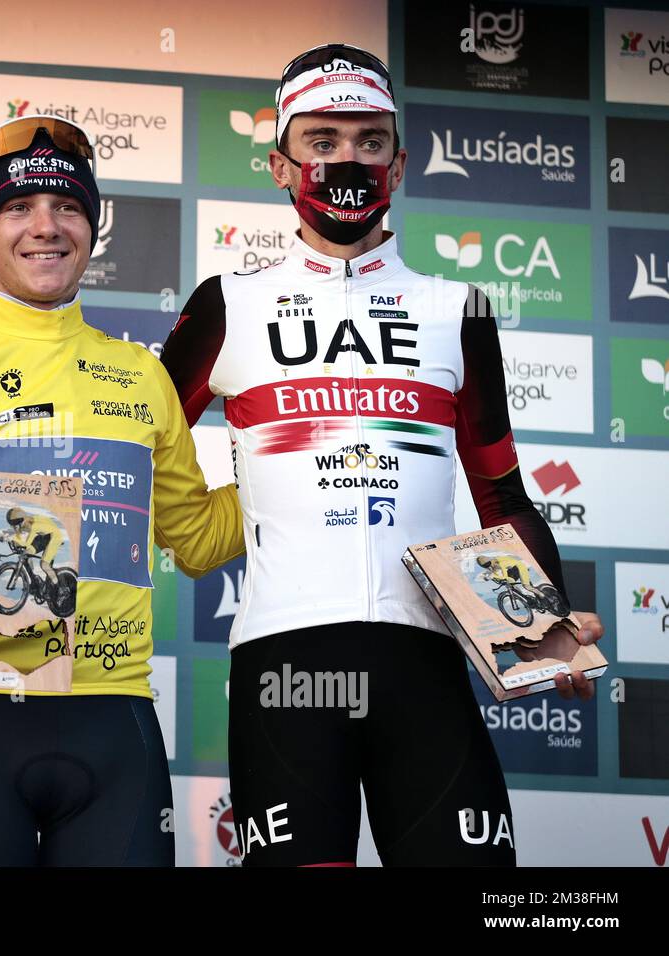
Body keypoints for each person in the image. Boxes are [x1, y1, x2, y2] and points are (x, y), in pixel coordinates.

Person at [160, 43, 606, 867]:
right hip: (288, 663)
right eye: (323, 142)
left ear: (399, 164)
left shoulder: (456, 307)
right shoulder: (229, 303)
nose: (347, 160)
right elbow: (138, 446)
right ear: (279, 164)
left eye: (369, 142)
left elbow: (502, 495)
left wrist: (548, 624)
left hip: (425, 661)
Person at [0, 115, 244, 866]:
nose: (46, 227)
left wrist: (289, 468)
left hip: (114, 722)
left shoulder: (143, 375)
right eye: (18, 208)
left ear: (91, 226)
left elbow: (200, 541)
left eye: (68, 207)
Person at [4, 506, 64, 593]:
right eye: (12, 524)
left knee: (44, 565)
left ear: (22, 520)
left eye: (16, 524)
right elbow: (18, 535)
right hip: (45, 535)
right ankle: (34, 579)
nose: (15, 527)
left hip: (54, 536)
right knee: (27, 554)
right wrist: (11, 539)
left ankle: (59, 588)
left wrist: (14, 540)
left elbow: (26, 544)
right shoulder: (23, 523)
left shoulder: (32, 526)